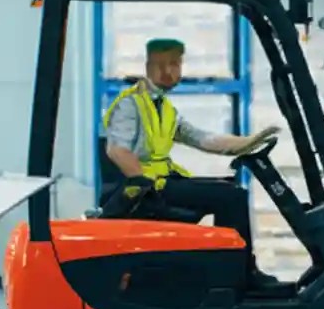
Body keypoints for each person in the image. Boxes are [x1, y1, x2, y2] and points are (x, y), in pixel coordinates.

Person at [103, 37, 281, 287]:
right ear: (147, 67)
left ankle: (230, 272)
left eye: (174, 64)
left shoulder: (165, 109)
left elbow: (204, 139)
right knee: (232, 197)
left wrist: (251, 141)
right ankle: (241, 276)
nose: (168, 72)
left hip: (163, 183)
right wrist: (146, 188)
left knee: (228, 189)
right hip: (147, 189)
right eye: (160, 65)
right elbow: (117, 150)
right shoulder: (129, 104)